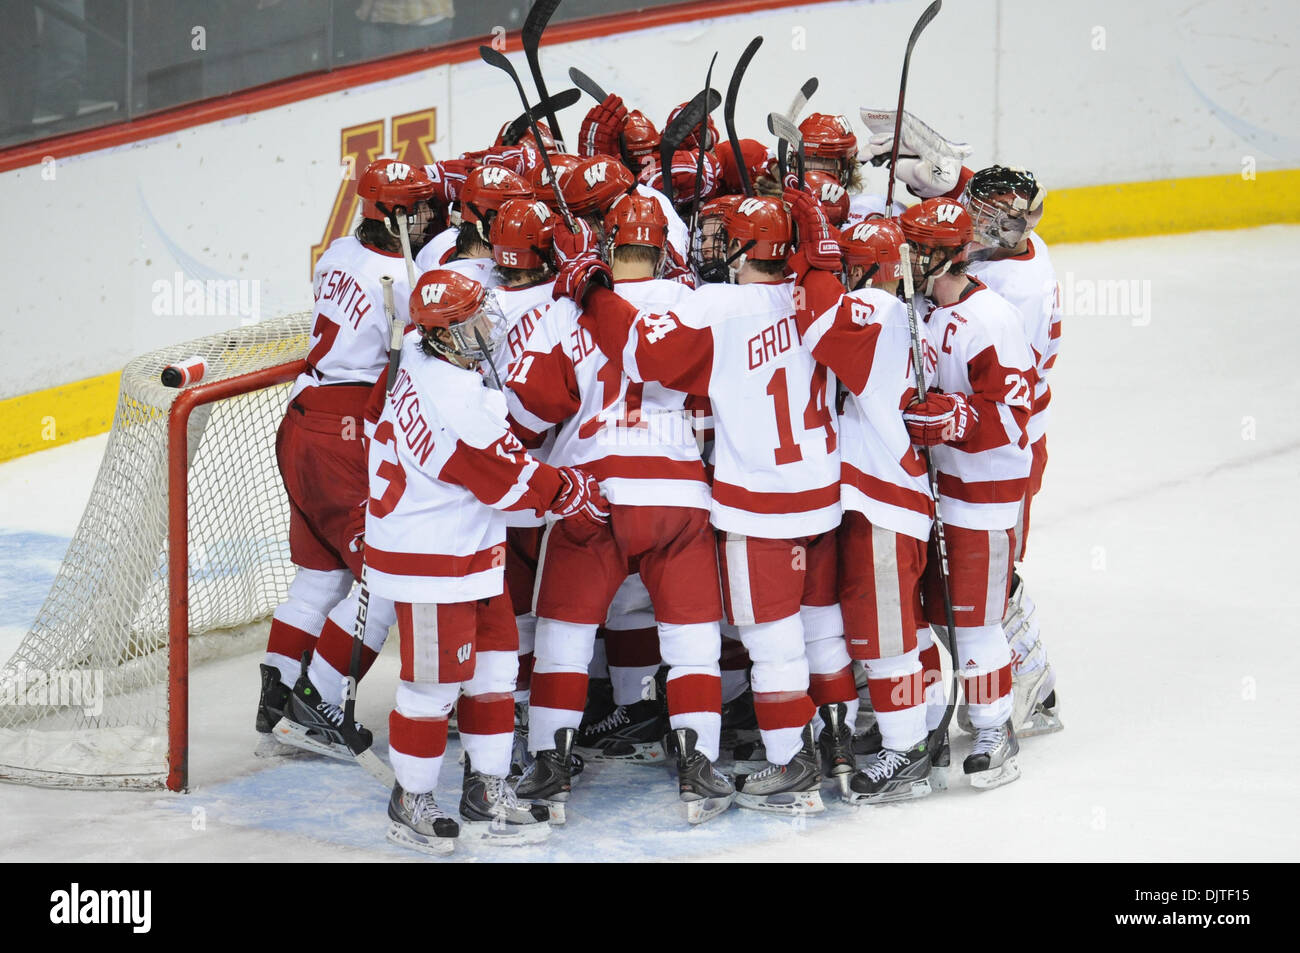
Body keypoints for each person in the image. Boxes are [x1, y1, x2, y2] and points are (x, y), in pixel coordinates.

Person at [553, 191, 853, 815]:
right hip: (826, 495)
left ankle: (789, 763)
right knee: (821, 630)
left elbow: (646, 355)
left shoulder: (713, 307)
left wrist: (594, 294)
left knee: (772, 642)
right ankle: (840, 744)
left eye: (728, 237)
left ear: (747, 248)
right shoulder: (817, 295)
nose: (714, 247)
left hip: (758, 502)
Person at [505, 195, 730, 824]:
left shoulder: (565, 311)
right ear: (666, 250)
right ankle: (699, 768)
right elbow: (716, 403)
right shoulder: (695, 305)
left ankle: (549, 772)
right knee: (692, 647)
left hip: (593, 492)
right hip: (679, 493)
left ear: (606, 248)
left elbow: (526, 414)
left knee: (563, 642)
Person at [368, 267, 608, 855]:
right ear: (446, 334)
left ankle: (485, 791)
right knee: (433, 688)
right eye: (472, 319)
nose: (486, 327)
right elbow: (505, 480)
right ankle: (411, 800)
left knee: (496, 672)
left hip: (468, 549)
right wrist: (569, 491)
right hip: (428, 557)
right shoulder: (454, 397)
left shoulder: (421, 362)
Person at [257, 159, 435, 756]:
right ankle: (320, 702)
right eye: (416, 208)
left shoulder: (337, 250)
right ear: (394, 215)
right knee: (384, 576)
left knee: (321, 573)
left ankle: (277, 694)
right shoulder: (404, 278)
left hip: (302, 421)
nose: (426, 216)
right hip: (346, 435)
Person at [897, 197, 1037, 790]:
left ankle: (993, 728)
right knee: (931, 615)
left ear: (949, 255)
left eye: (920, 249)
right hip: (932, 489)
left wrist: (956, 418)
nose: (908, 257)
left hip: (982, 493)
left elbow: (1014, 417)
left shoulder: (991, 321)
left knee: (972, 623)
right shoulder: (920, 306)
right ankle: (931, 719)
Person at [800, 217, 939, 802]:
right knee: (903, 628)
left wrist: (815, 252)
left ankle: (905, 751)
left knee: (886, 638)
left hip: (885, 499)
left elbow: (820, 329)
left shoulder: (876, 312)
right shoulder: (903, 315)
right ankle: (922, 731)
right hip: (891, 497)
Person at [961, 165, 1064, 738]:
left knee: (989, 574)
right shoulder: (1022, 250)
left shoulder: (1007, 292)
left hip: (1007, 448)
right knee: (981, 570)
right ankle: (1028, 676)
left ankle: (1032, 678)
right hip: (1014, 439)